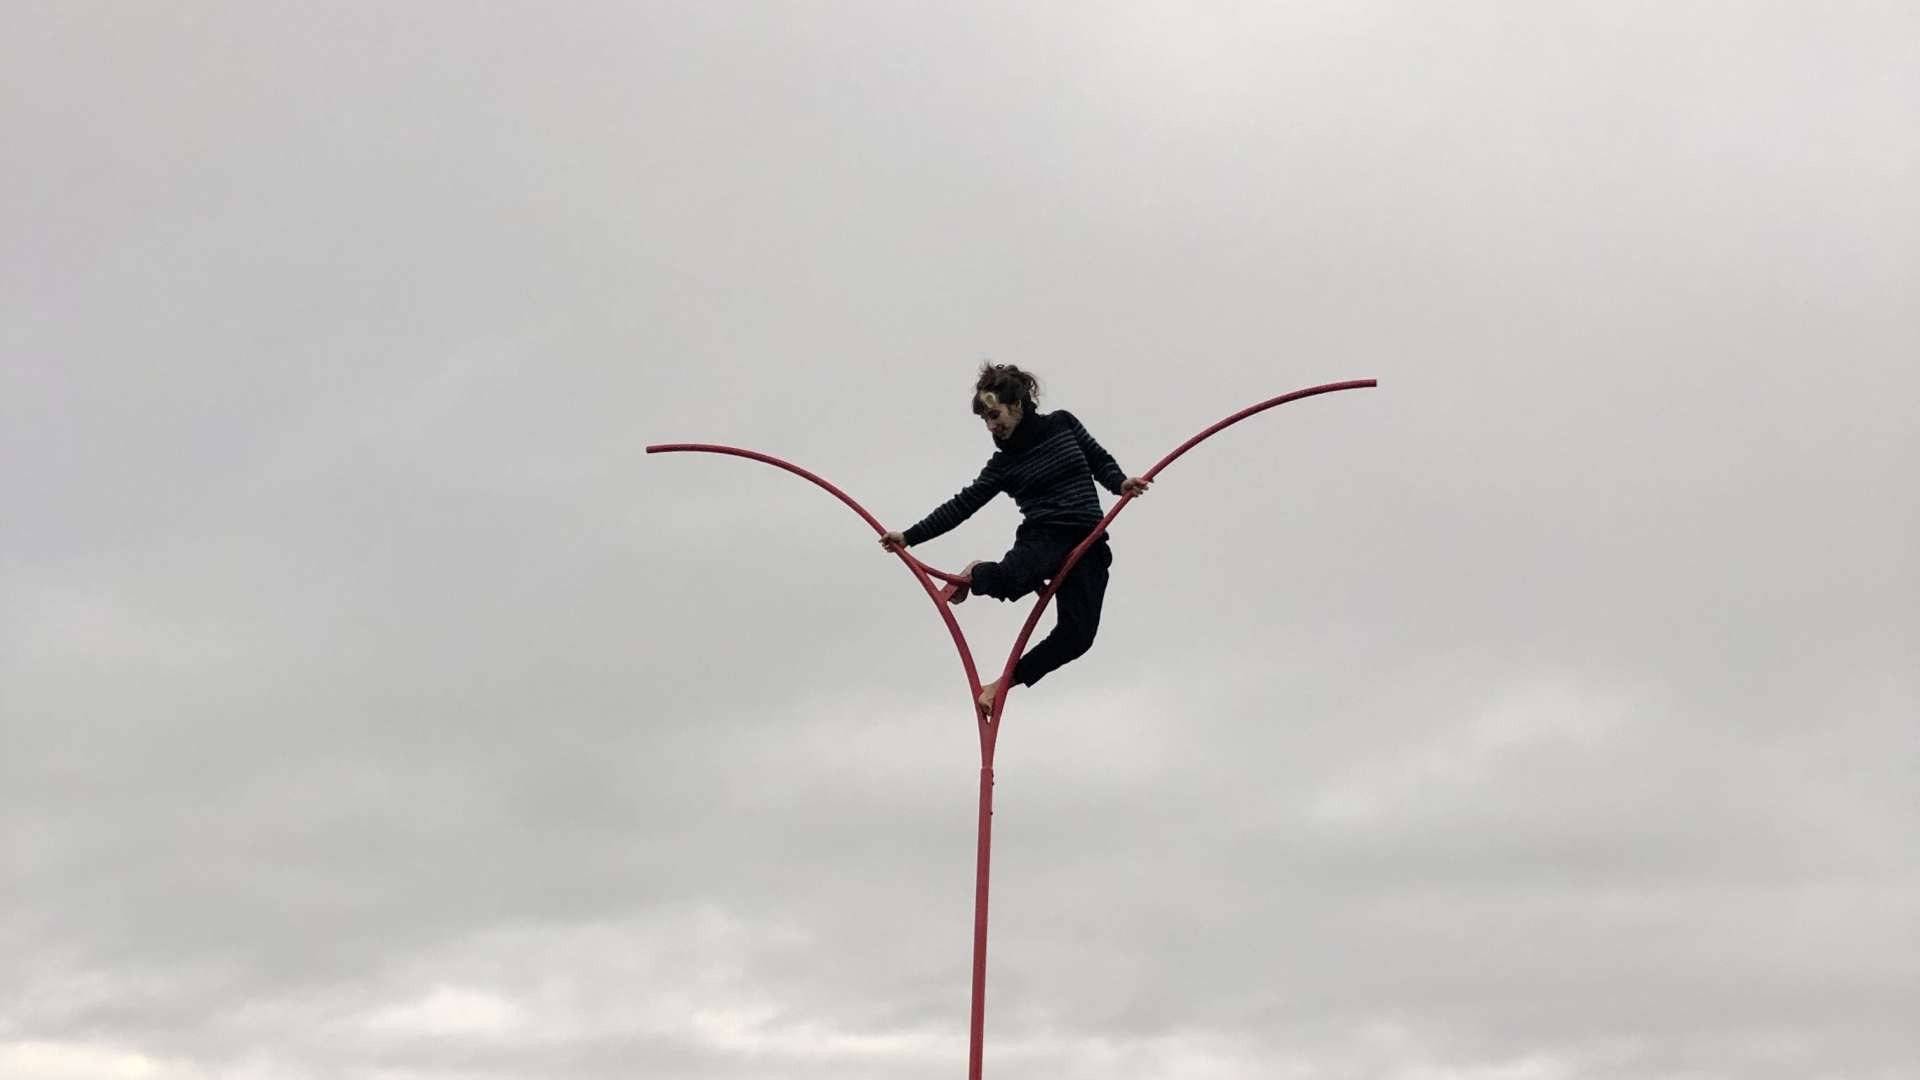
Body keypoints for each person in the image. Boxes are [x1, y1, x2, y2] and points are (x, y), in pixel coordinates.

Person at [880, 363, 1151, 714]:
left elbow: (1098, 460)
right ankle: (976, 573)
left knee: (1078, 637)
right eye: (986, 420)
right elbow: (962, 505)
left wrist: (1120, 483)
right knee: (1009, 581)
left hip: (1089, 539)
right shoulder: (1003, 464)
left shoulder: (1062, 424)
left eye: (995, 415)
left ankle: (1000, 685)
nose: (992, 425)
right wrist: (909, 536)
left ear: (1017, 405)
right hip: (1045, 535)